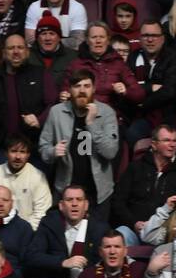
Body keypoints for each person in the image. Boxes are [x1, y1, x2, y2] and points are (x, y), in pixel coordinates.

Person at [38, 68, 120, 228]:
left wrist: (91, 124)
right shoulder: (57, 112)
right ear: (69, 90)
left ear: (94, 89)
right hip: (67, 191)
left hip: (97, 193)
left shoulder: (106, 112)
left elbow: (110, 152)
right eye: (77, 86)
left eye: (86, 86)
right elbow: (43, 148)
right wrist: (53, 152)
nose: (82, 91)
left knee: (95, 241)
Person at [111, 125, 176, 245]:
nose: (172, 144)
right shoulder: (135, 168)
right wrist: (134, 223)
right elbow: (118, 202)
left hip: (165, 233)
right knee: (119, 237)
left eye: (175, 141)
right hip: (133, 230)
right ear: (154, 144)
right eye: (166, 140)